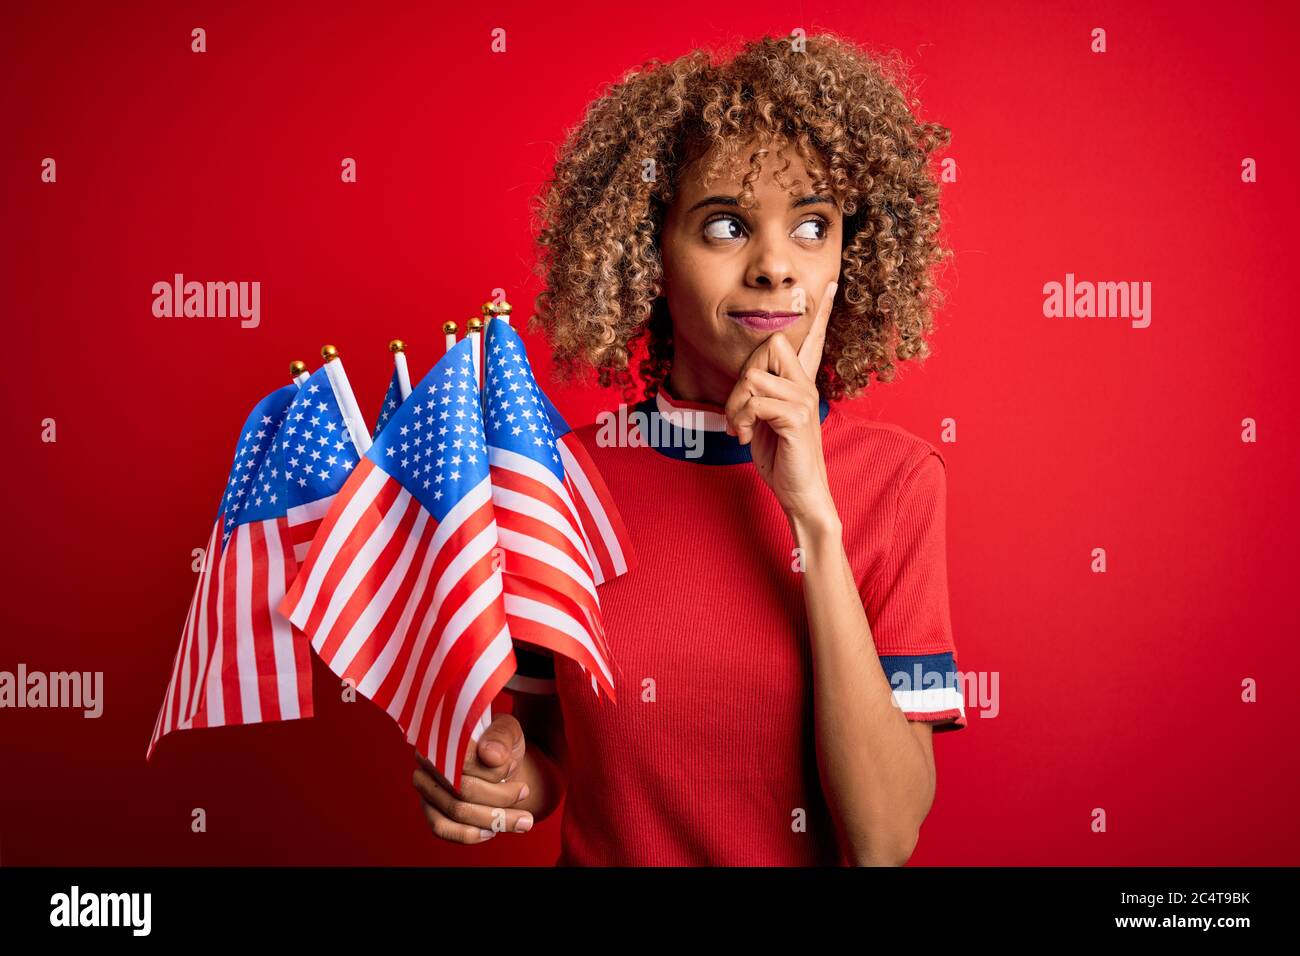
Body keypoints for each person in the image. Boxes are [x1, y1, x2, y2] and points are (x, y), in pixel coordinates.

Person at [412, 31, 966, 866]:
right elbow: (540, 759)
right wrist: (494, 784)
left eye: (813, 225)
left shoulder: (898, 481)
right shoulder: (556, 480)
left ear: (848, 256)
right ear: (649, 255)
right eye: (726, 227)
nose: (777, 266)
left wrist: (814, 517)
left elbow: (884, 839)